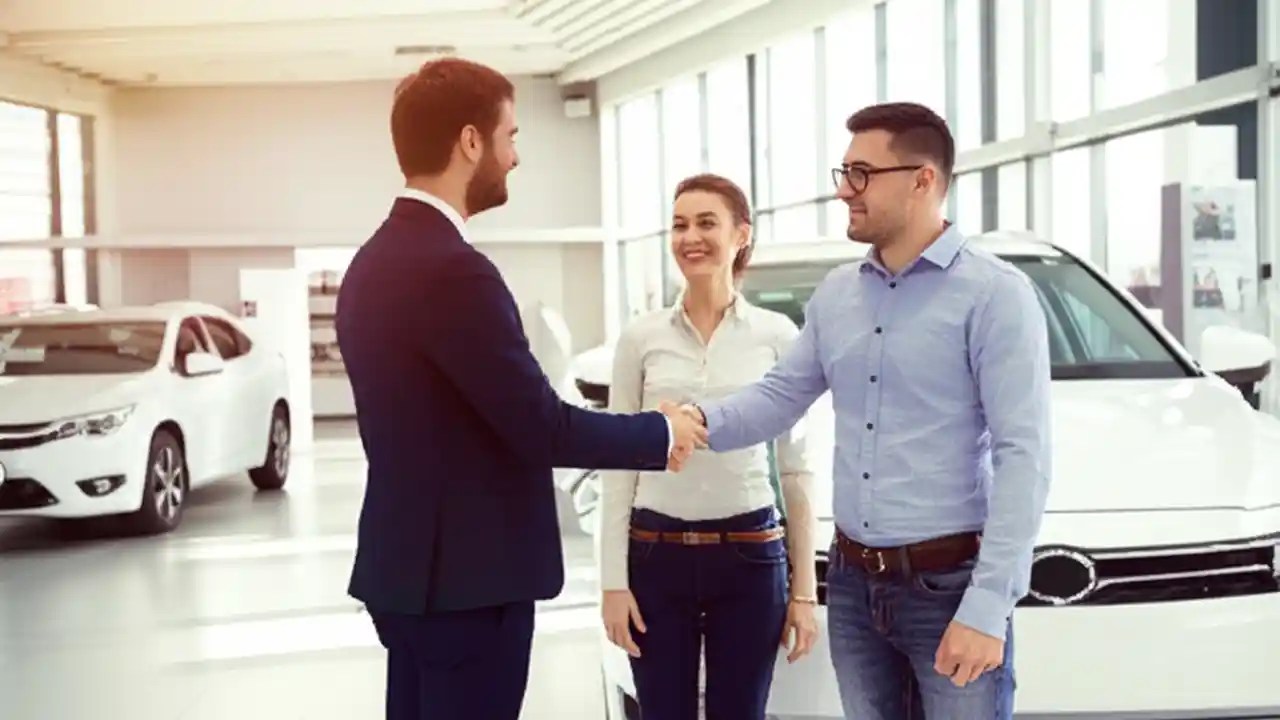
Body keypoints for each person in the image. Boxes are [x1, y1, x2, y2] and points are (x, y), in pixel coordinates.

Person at [335, 58, 708, 720]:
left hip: (409, 573)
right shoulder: (455, 273)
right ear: (470, 142)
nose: (514, 158)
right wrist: (661, 431)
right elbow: (540, 425)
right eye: (511, 137)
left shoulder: (371, 262)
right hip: (467, 584)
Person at [682, 102, 1052, 718]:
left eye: (861, 173)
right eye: (843, 172)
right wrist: (689, 423)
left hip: (949, 588)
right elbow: (780, 396)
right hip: (854, 585)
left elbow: (1025, 456)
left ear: (922, 179)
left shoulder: (995, 295)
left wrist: (988, 608)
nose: (844, 191)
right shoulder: (837, 295)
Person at [598, 174, 821, 720]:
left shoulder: (776, 336)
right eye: (679, 224)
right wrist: (612, 584)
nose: (689, 236)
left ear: (741, 234)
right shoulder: (641, 337)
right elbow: (617, 467)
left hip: (750, 556)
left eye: (706, 222)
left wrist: (804, 592)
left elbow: (796, 471)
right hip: (655, 555)